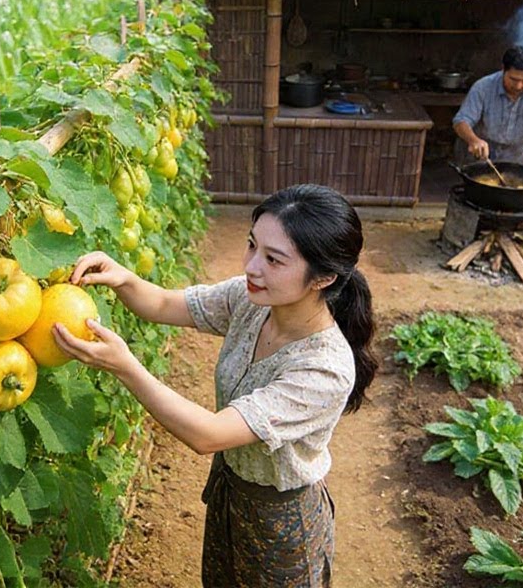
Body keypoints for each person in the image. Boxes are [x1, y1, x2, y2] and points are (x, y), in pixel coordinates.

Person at [52, 183, 377, 588]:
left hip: (282, 524)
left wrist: (125, 367)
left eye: (274, 259)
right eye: (251, 245)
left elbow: (208, 435)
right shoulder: (252, 301)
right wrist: (122, 278)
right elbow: (164, 305)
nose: (252, 266)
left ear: (323, 278)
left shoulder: (324, 368)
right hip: (230, 495)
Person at [452, 45, 523, 169]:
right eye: (514, 79)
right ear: (503, 69)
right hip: (480, 158)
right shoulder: (483, 86)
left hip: (517, 158)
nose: (519, 86)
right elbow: (461, 121)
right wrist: (474, 140)